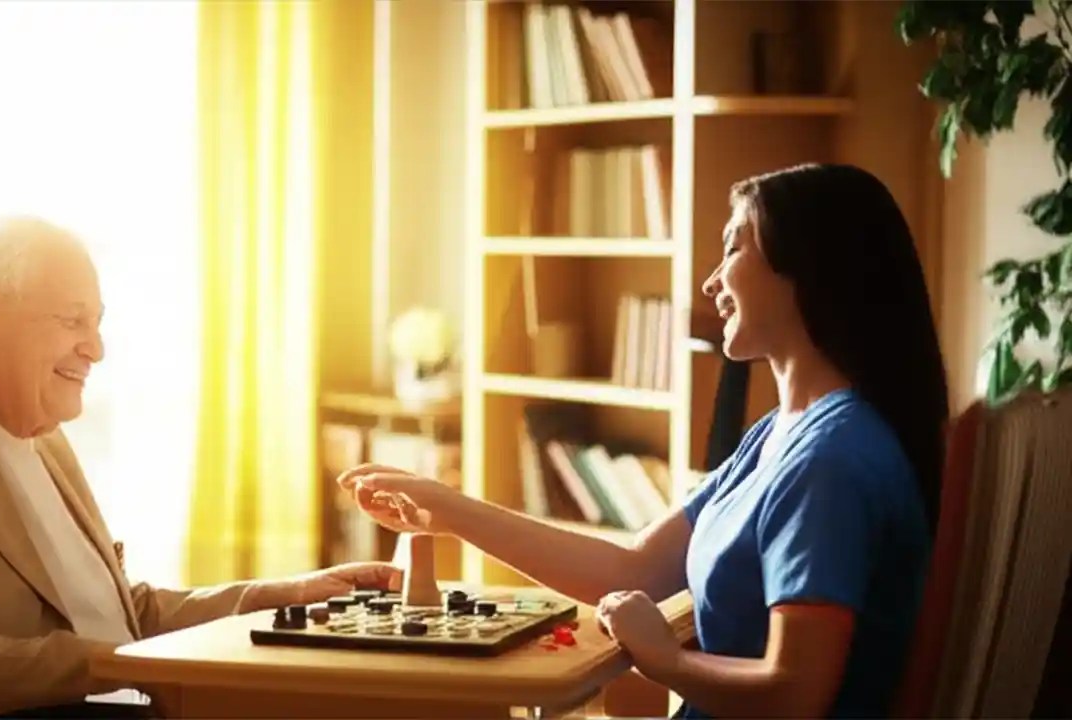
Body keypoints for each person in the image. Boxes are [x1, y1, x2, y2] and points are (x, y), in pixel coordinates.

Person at [338, 163, 948, 718]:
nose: (711, 282)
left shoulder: (830, 461)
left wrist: (667, 661)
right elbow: (633, 568)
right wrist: (445, 508)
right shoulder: (779, 435)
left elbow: (795, 693)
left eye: (733, 247)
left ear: (807, 270)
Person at [0, 216, 400, 718]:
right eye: (71, 320)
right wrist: (119, 663)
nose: (96, 348)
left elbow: (116, 611)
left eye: (97, 322)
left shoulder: (38, 433)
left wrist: (278, 597)